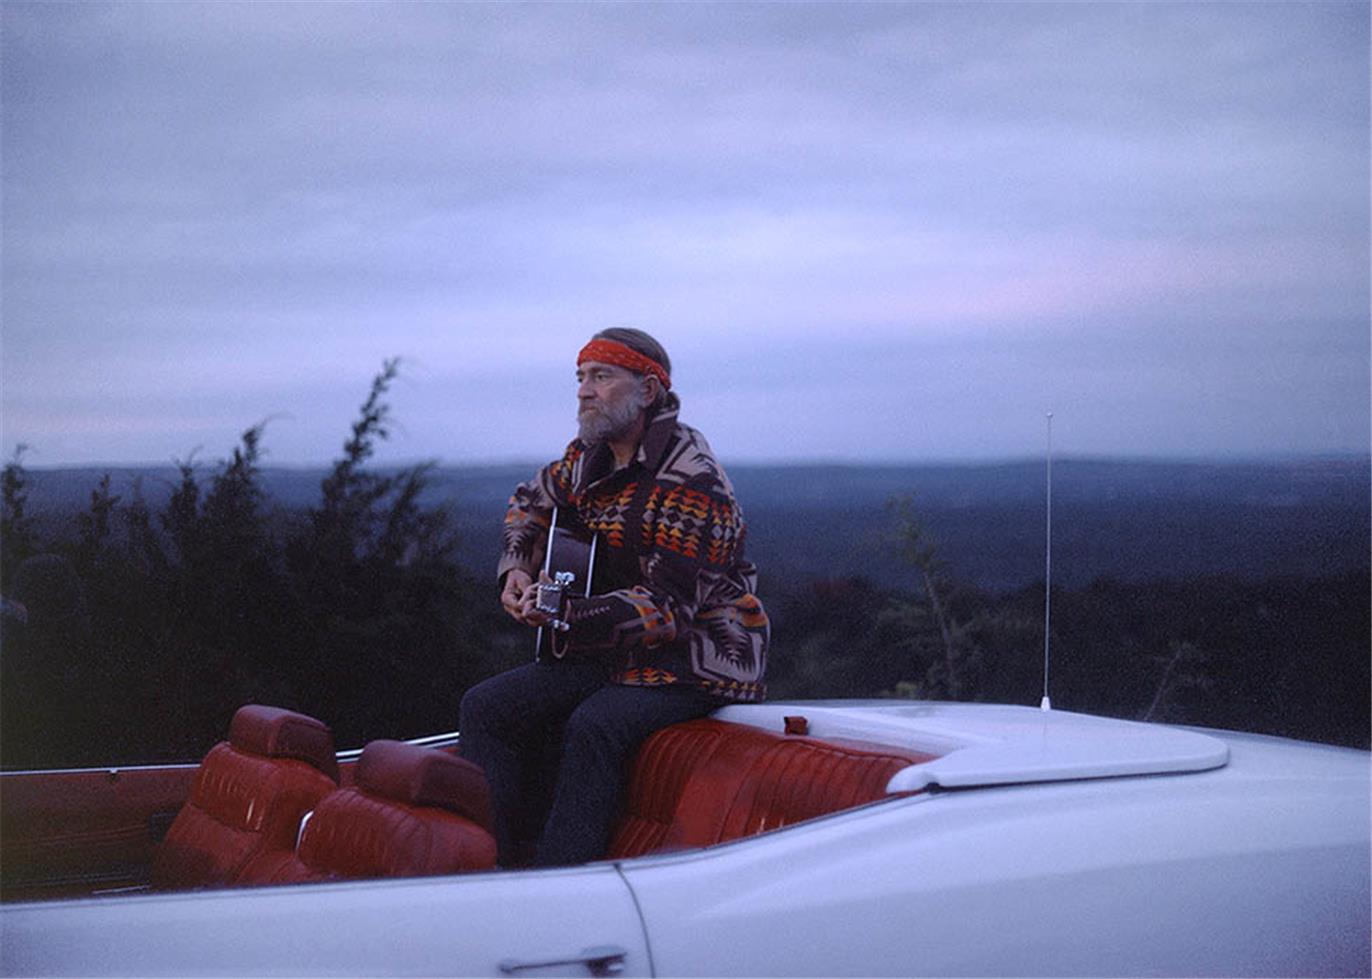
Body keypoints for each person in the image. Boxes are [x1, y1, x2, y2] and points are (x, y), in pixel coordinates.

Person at [460, 328, 768, 867]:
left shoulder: (692, 479)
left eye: (602, 377)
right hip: (608, 652)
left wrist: (566, 613)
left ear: (648, 391)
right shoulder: (587, 458)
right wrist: (515, 567)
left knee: (596, 723)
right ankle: (495, 865)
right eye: (581, 377)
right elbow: (530, 501)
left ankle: (565, 880)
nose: (584, 391)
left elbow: (668, 609)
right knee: (486, 705)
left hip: (695, 660)